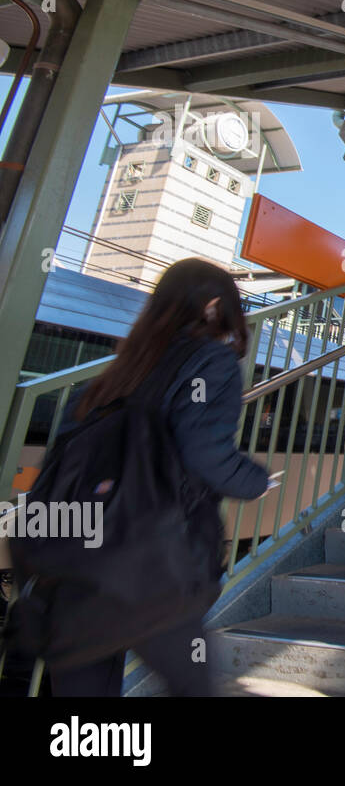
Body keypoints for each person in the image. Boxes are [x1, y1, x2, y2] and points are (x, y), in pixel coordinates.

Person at [50, 259, 272, 696]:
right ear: (212, 307)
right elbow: (203, 449)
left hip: (77, 561)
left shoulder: (120, 368)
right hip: (152, 563)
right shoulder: (213, 362)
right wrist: (254, 480)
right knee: (192, 682)